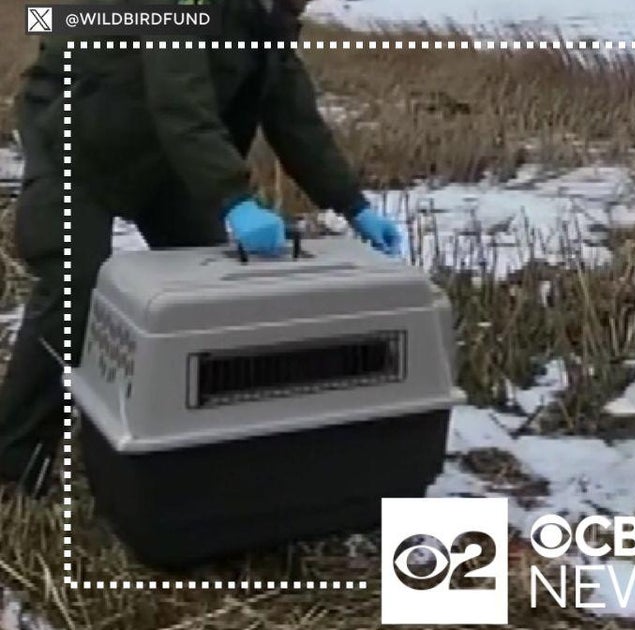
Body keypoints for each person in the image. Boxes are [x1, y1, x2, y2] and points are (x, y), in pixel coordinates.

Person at [0, 0, 404, 498]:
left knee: (210, 296)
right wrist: (235, 199)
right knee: (74, 288)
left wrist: (353, 205)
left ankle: (185, 440)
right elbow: (180, 103)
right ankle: (16, 466)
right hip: (80, 141)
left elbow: (295, 120)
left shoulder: (269, 20)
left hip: (166, 157)